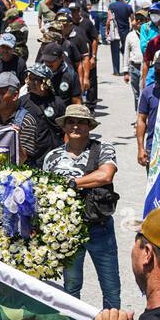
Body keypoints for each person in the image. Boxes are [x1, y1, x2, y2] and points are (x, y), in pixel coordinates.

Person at [43, 104, 120, 309]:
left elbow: (106, 175)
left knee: (111, 287)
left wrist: (72, 183)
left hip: (99, 228)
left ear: (89, 126)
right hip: (69, 232)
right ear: (64, 126)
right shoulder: (52, 157)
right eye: (71, 122)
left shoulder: (103, 148)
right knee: (71, 287)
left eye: (81, 122)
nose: (75, 126)